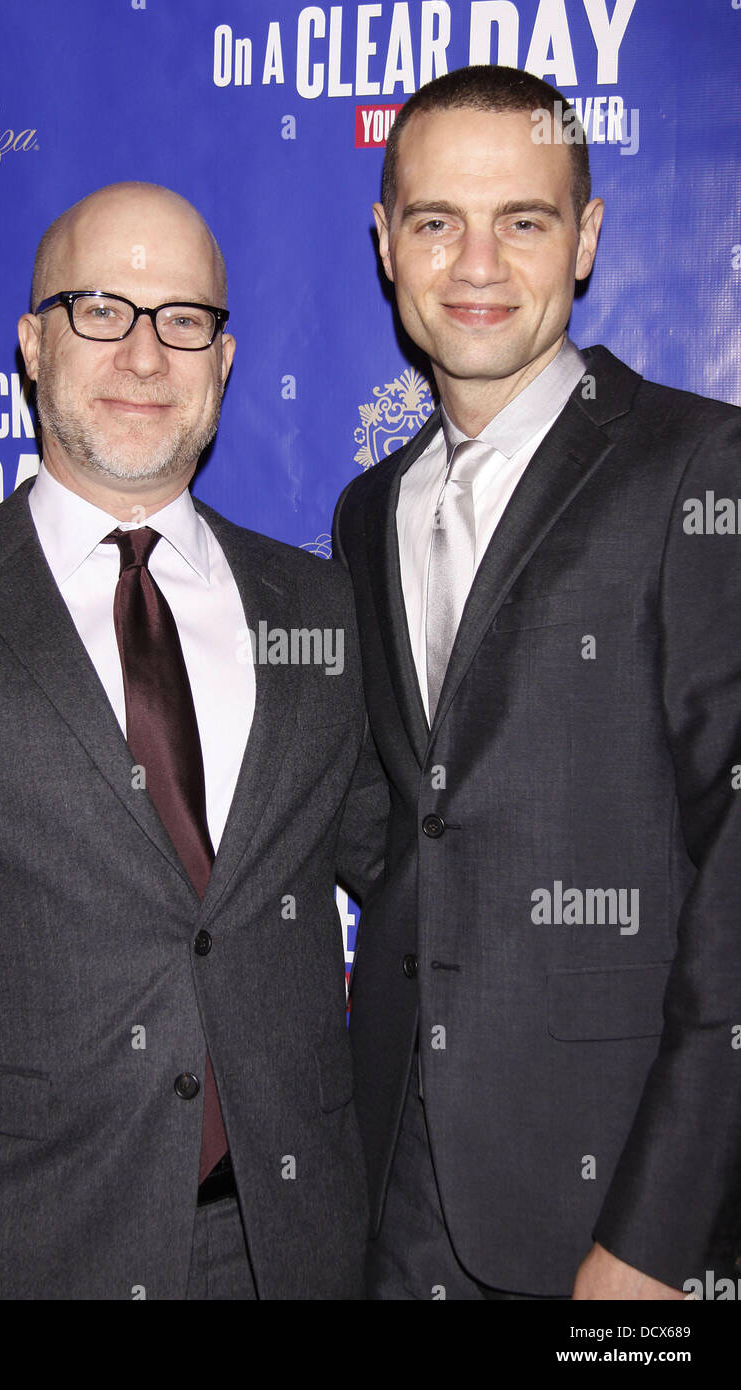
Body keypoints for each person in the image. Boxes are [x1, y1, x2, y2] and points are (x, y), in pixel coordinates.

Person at [0, 181, 386, 1300]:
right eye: (102, 309)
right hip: (26, 1256)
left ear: (224, 364)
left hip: (292, 1251)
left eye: (183, 318)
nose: (145, 353)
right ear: (34, 345)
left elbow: (422, 881)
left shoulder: (323, 609)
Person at [333, 65, 741, 1300]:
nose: (476, 265)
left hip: (610, 1199)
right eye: (435, 221)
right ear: (386, 244)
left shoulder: (698, 466)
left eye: (523, 219)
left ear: (588, 239)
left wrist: (656, 1238)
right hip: (396, 1181)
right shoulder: (366, 513)